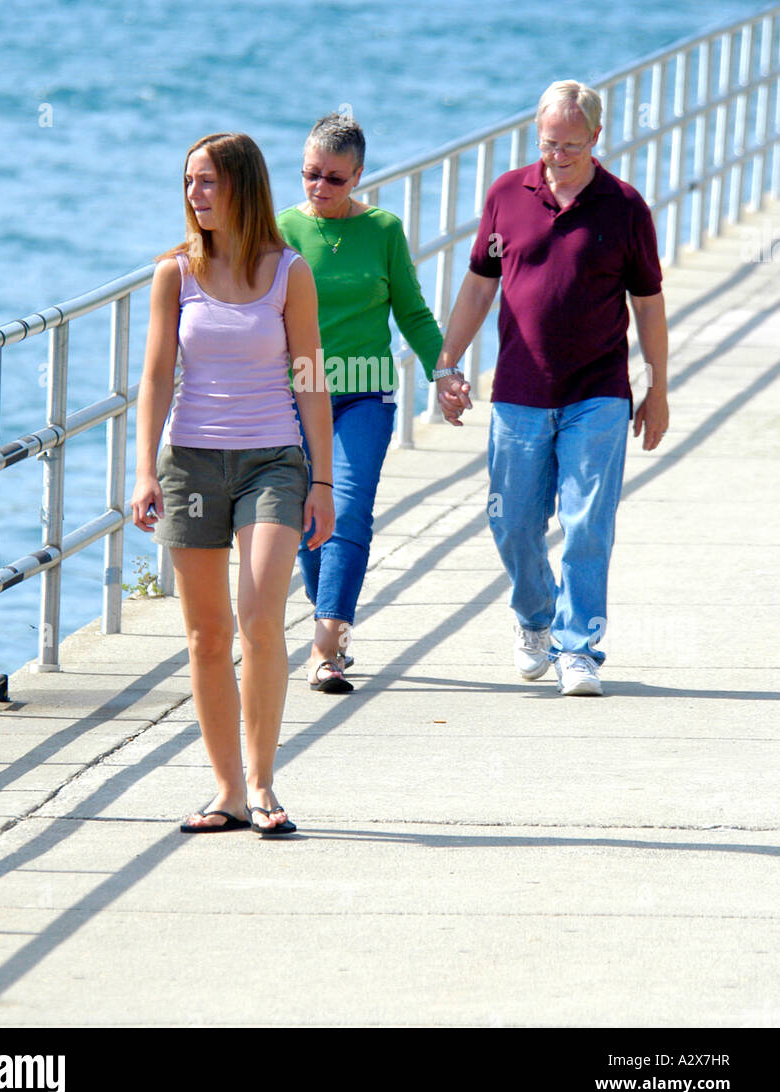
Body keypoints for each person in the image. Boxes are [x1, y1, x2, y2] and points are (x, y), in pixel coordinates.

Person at [435, 80, 669, 696]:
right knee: (513, 522)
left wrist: (658, 387)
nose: (556, 155)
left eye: (569, 144)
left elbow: (647, 306)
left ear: (595, 137)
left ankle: (579, 647)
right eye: (547, 143)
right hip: (519, 390)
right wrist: (447, 364)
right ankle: (535, 617)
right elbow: (481, 285)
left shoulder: (625, 208)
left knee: (588, 522)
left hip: (598, 391)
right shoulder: (506, 194)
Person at [131, 133, 334, 833]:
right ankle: (225, 791)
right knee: (208, 635)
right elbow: (156, 377)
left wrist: (324, 481)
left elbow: (309, 377)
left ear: (243, 187)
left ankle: (264, 785)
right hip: (189, 463)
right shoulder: (174, 274)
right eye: (189, 181)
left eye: (209, 182)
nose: (195, 194)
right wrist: (143, 471)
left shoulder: (289, 273)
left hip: (272, 462)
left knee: (259, 619)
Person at [278, 112, 446, 693]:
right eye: (309, 175)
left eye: (334, 178)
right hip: (297, 391)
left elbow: (414, 313)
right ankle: (329, 618)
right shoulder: (280, 232)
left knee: (347, 508)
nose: (320, 188)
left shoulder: (384, 230)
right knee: (307, 515)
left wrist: (442, 370)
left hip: (365, 394)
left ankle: (327, 645)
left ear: (359, 176)